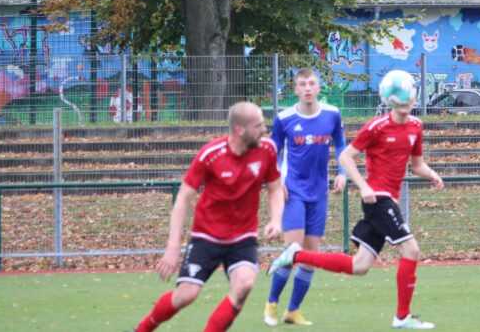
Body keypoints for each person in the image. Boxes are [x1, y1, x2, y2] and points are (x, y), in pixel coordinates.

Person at [267, 79, 443, 330]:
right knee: (411, 250)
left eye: (409, 96)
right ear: (389, 99)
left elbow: (417, 165)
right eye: (400, 97)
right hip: (377, 199)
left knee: (359, 266)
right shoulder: (376, 126)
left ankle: (295, 255)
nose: (406, 101)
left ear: (415, 98)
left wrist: (432, 175)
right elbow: (345, 156)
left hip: (388, 199)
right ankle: (402, 317)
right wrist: (363, 186)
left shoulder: (416, 126)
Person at [133, 101, 283, 332]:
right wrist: (173, 247)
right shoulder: (211, 154)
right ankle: (142, 329)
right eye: (258, 126)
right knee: (186, 295)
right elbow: (183, 198)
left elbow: (275, 189)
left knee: (244, 284)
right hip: (207, 236)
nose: (264, 130)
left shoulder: (268, 149)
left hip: (243, 237)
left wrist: (275, 220)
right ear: (239, 129)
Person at [264, 67, 348, 326]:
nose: (308, 88)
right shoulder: (284, 118)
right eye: (303, 84)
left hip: (319, 193)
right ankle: (272, 304)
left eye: (312, 83)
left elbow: (341, 144)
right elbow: (273, 151)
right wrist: (277, 181)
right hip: (293, 191)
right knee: (293, 251)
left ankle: (293, 310)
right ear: (296, 89)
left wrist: (342, 172)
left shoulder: (332, 114)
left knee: (311, 255)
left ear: (319, 87)